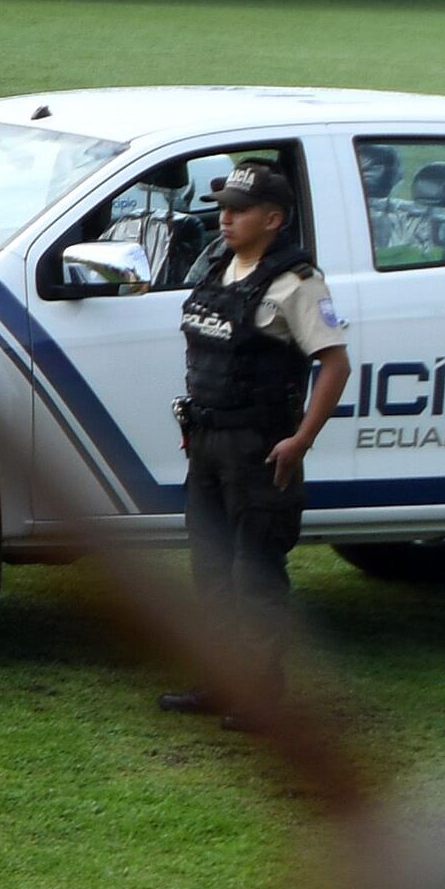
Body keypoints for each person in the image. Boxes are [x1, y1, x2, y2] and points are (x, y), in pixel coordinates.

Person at [166, 159, 350, 719]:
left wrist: (301, 441)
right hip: (208, 445)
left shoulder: (298, 284)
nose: (225, 219)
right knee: (212, 571)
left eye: (239, 211)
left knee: (255, 576)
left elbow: (335, 364)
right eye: (222, 208)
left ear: (273, 219)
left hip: (261, 449)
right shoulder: (219, 268)